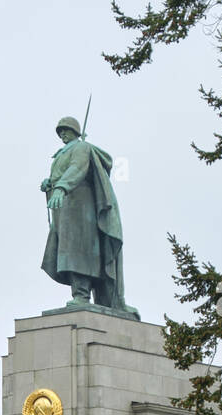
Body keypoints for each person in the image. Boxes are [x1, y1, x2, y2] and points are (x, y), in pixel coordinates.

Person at [40, 116, 137, 317]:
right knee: (68, 250)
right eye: (60, 132)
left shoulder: (81, 148)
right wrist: (50, 183)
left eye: (66, 130)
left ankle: (82, 295)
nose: (62, 134)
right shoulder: (60, 154)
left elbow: (77, 168)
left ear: (75, 131)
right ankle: (80, 294)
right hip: (65, 209)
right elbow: (64, 173)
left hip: (81, 207)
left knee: (79, 250)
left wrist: (60, 186)